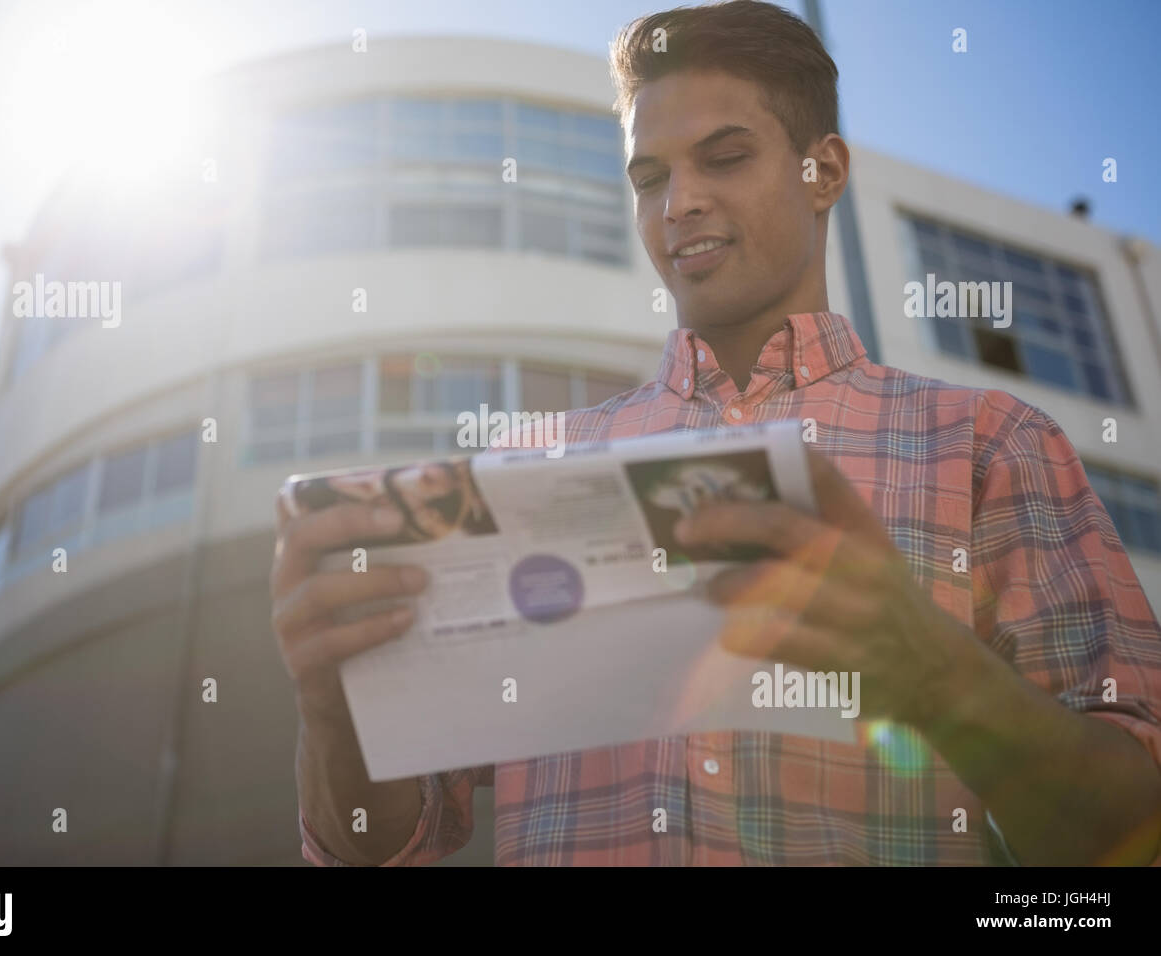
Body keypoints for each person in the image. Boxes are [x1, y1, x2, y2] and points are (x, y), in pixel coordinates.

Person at [271, 0, 1161, 865]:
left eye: (724, 157)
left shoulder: (989, 444)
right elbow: (385, 845)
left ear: (825, 171)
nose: (679, 203)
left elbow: (1135, 835)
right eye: (649, 177)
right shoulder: (525, 471)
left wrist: (940, 678)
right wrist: (329, 707)